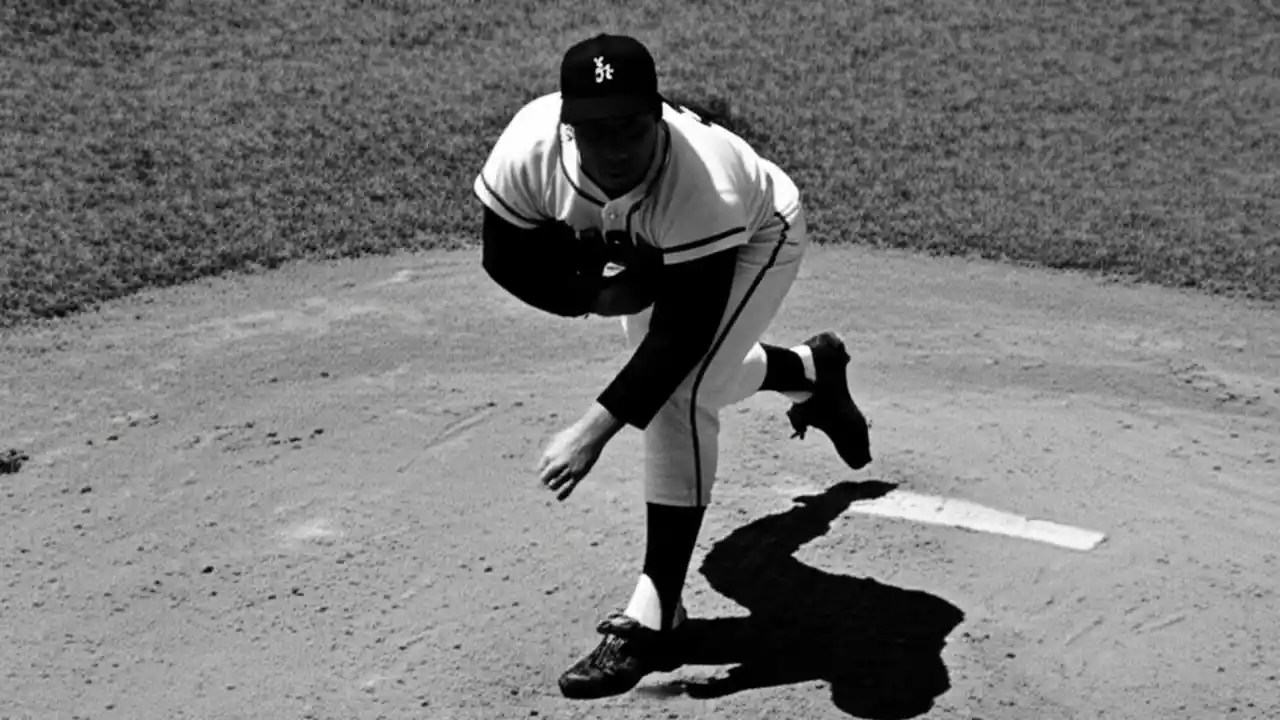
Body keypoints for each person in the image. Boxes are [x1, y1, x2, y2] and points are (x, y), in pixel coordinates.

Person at [473, 33, 872, 699]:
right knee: (695, 382)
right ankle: (809, 372)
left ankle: (655, 619)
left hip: (756, 236)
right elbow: (504, 255)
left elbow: (681, 336)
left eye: (632, 128)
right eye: (597, 132)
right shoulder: (529, 150)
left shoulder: (700, 184)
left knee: (681, 390)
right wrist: (594, 298)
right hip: (660, 248)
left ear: (658, 115)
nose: (617, 149)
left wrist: (592, 431)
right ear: (567, 128)